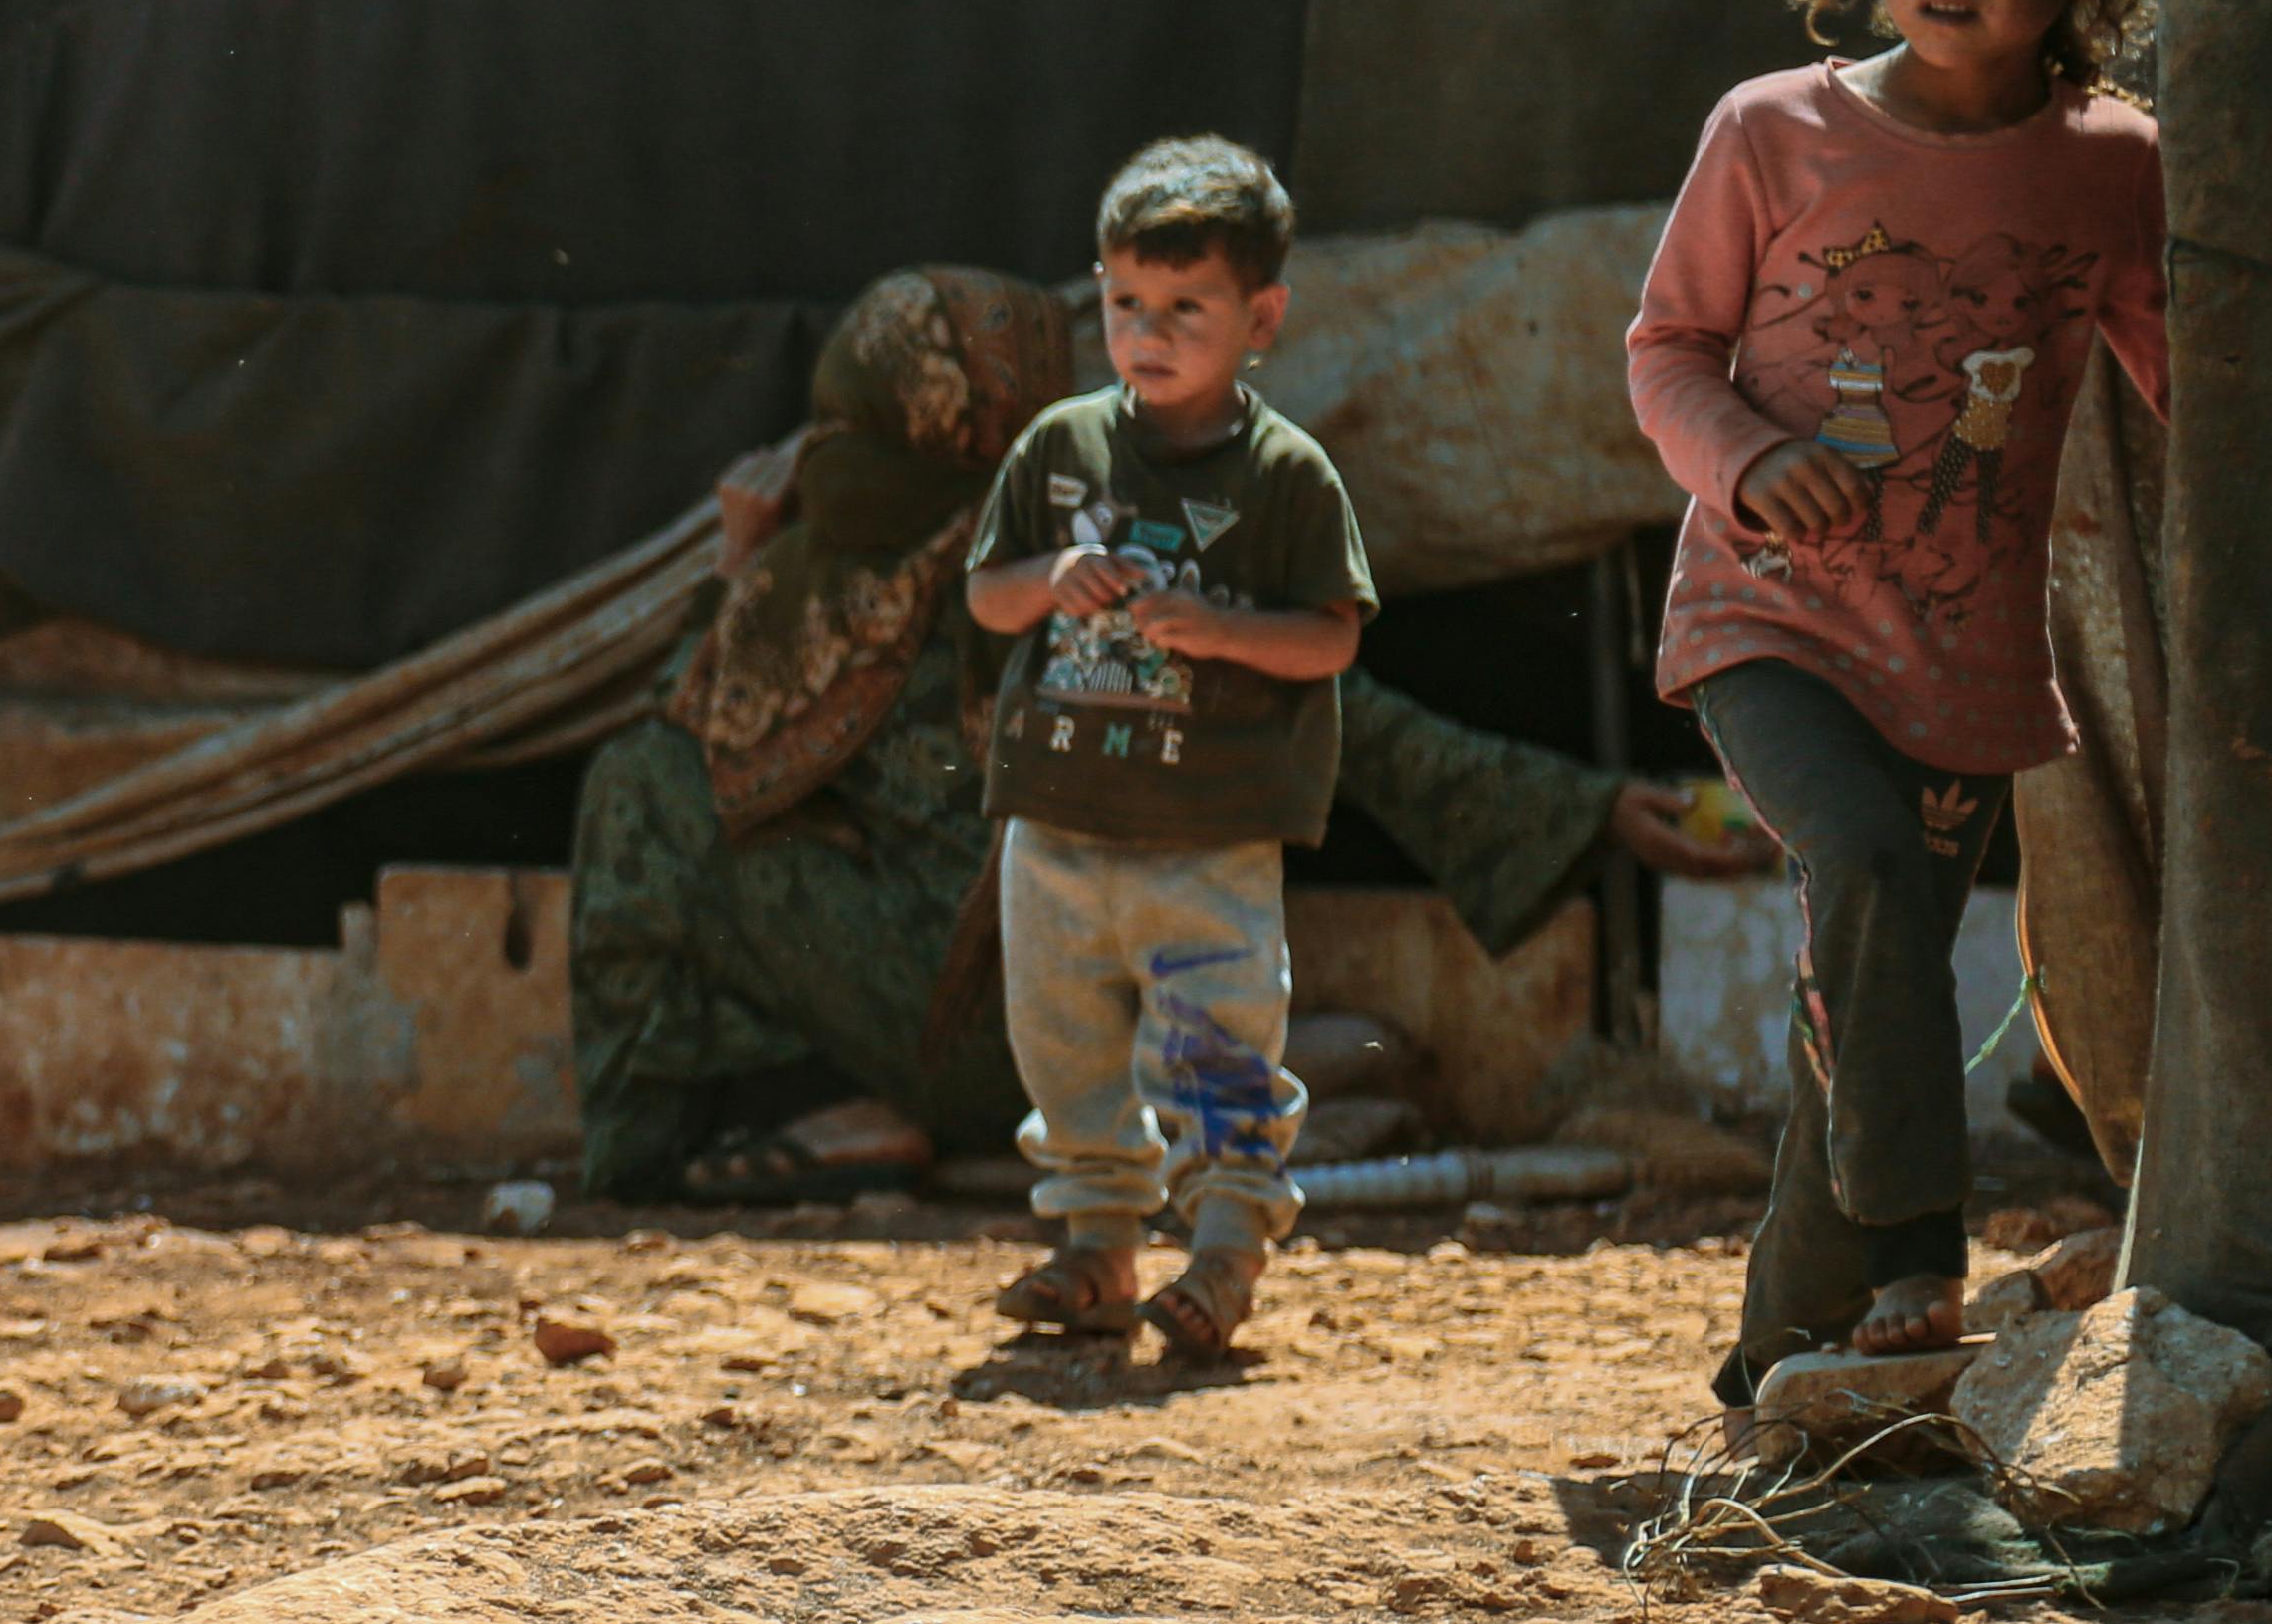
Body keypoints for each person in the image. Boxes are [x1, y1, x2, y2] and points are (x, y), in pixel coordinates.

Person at [568, 277, 1757, 1217]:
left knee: (642, 784)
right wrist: (1590, 805)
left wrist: (735, 561)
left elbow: (696, 722)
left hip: (958, 1038)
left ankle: (696, 1133)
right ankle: (1193, 1076)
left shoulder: (814, 576)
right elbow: (1338, 713)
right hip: (1064, 1016)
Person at [1625, 0, 2165, 1393]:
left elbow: (2182, 377)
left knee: (1863, 996)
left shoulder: (2105, 167)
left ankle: (1780, 1348)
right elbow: (1662, 350)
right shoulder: (1770, 133)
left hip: (1956, 654)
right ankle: (1922, 1247)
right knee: (1854, 870)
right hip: (1765, 623)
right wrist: (1740, 454)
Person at [963, 140, 1361, 1357]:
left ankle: (1227, 1248)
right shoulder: (1057, 448)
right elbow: (985, 598)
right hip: (1056, 823)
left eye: (1185, 307)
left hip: (1209, 835)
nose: (1148, 331)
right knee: (1063, 1046)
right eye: (1125, 302)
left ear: (1260, 316)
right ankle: (1094, 1247)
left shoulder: (1286, 472)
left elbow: (1332, 638)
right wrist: (1046, 576)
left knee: (1215, 1049)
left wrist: (1223, 629)